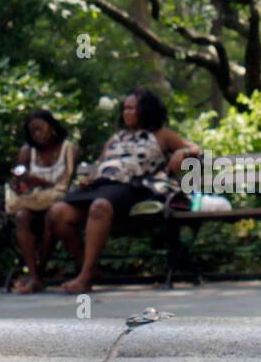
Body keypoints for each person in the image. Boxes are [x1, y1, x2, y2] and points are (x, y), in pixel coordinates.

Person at [44, 88, 200, 295]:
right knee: (58, 212)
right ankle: (90, 268)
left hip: (135, 188)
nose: (126, 113)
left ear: (146, 110)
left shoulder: (162, 135)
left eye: (131, 108)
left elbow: (196, 150)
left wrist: (183, 151)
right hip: (103, 186)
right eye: (124, 108)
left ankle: (85, 277)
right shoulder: (116, 138)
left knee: (100, 207)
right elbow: (101, 163)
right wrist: (90, 179)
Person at [8, 110, 78, 294]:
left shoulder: (68, 149)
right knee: (22, 216)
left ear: (52, 128)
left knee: (52, 216)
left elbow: (66, 182)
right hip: (33, 203)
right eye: (33, 132)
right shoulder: (27, 152)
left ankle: (38, 275)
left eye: (40, 129)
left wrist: (40, 181)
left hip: (59, 201)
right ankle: (35, 276)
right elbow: (17, 181)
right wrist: (21, 181)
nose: (37, 135)